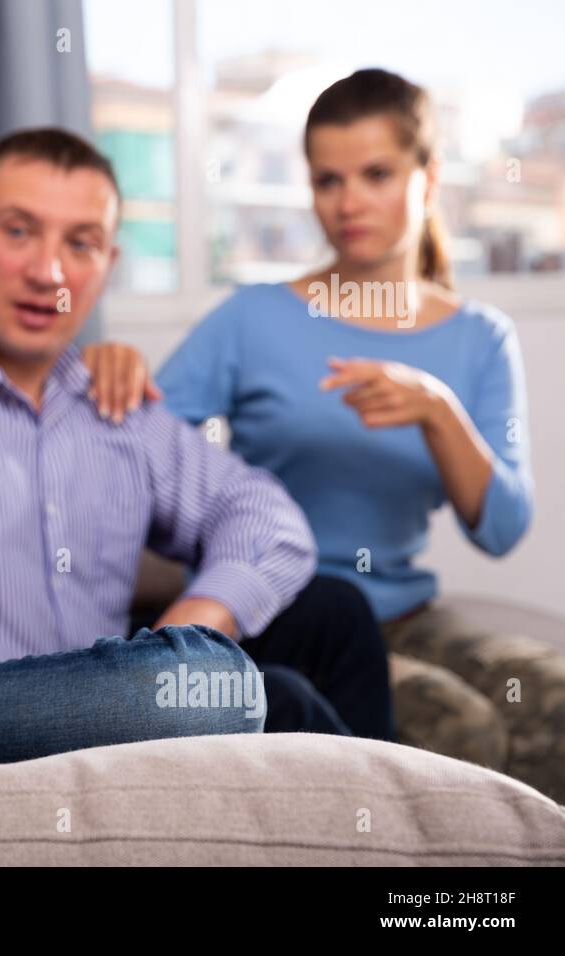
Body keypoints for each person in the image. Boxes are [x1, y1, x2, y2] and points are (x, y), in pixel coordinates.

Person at [0, 127, 395, 767]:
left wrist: (194, 626)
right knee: (233, 693)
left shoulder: (111, 402)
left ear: (108, 265)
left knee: (327, 617)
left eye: (81, 244)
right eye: (19, 231)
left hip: (105, 714)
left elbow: (267, 516)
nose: (48, 273)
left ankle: (392, 832)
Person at [153, 68, 558, 797]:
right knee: (462, 727)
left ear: (428, 179)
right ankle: (435, 906)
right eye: (326, 180)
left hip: (409, 615)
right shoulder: (255, 318)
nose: (348, 203)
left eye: (375, 174)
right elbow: (139, 452)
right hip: (287, 617)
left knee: (552, 700)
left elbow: (500, 530)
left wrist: (439, 409)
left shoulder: (478, 338)